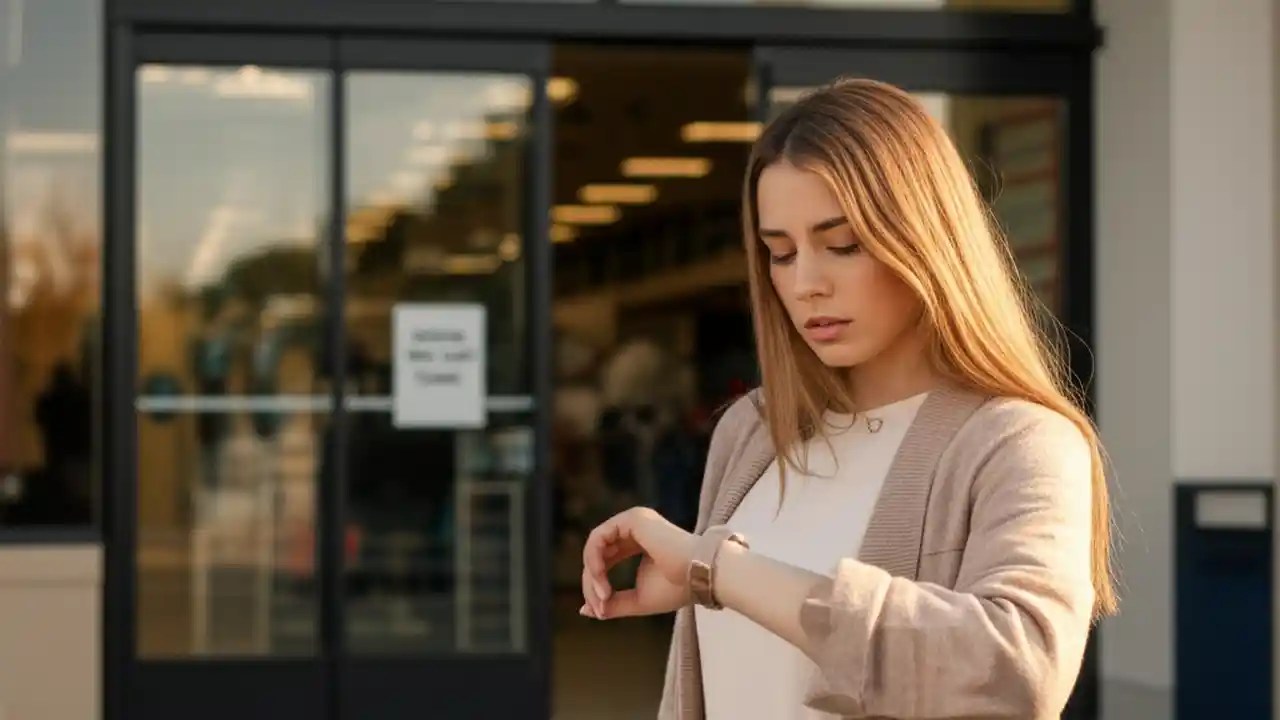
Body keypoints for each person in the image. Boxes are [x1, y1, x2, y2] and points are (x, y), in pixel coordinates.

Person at [578, 78, 1117, 720]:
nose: (805, 283)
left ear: (922, 239)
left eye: (843, 245)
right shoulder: (754, 429)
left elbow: (1015, 670)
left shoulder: (1014, 440)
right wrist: (708, 576)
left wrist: (717, 568)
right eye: (780, 253)